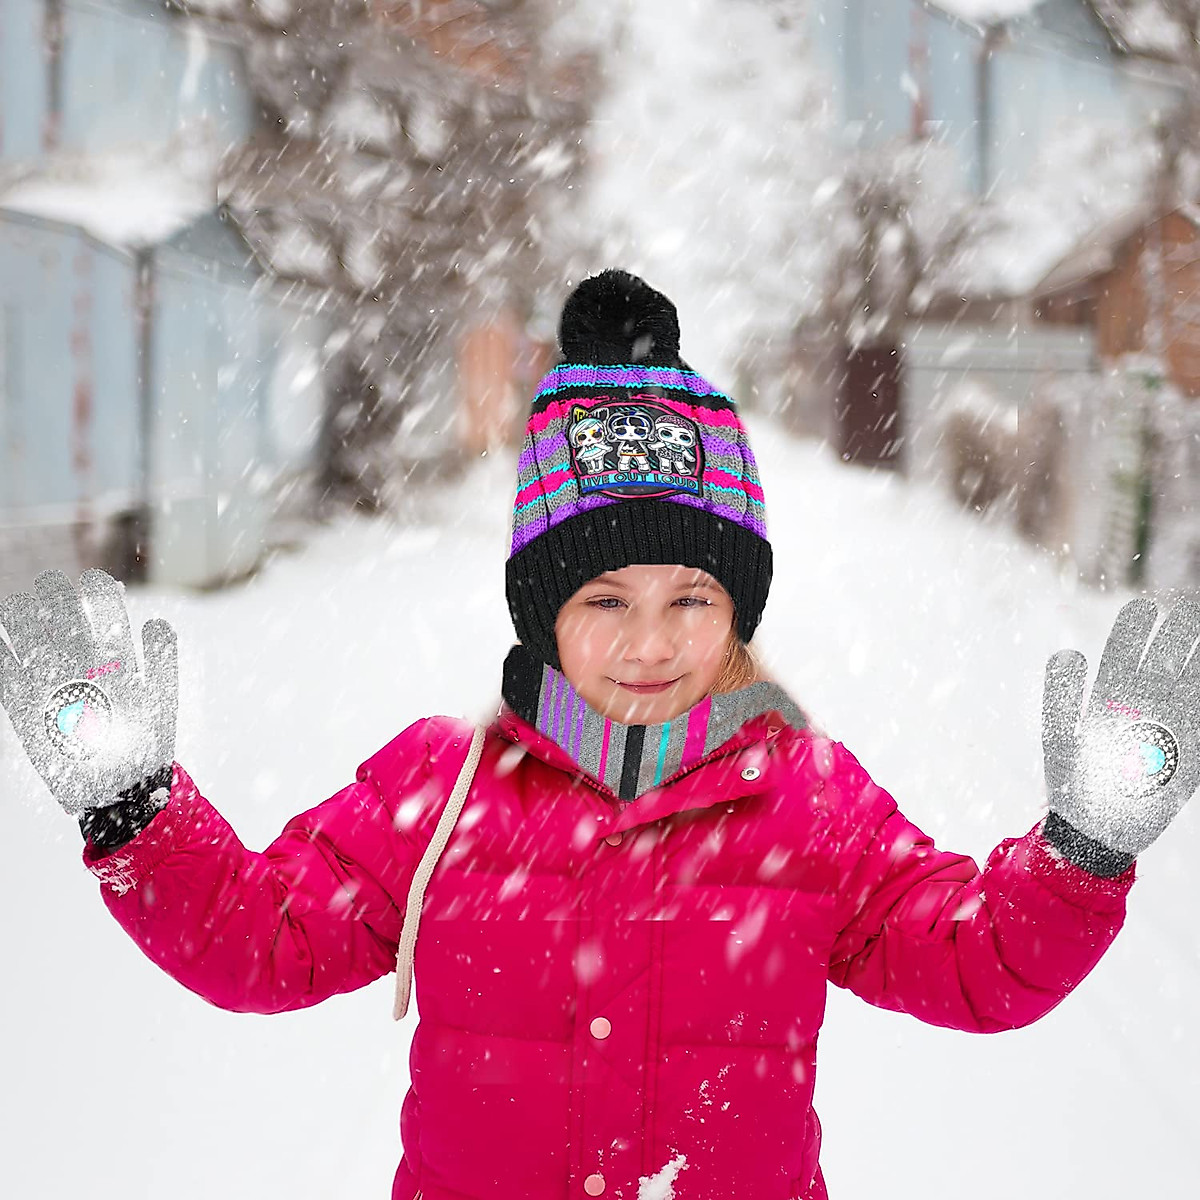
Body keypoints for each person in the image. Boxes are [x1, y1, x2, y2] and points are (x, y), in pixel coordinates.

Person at [2, 269, 1197, 1200]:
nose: (651, 643)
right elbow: (261, 942)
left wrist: (1082, 852)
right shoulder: (445, 790)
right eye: (604, 602)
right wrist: (136, 816)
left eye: (694, 598)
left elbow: (970, 959)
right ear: (545, 615)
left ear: (739, 610)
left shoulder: (807, 800)